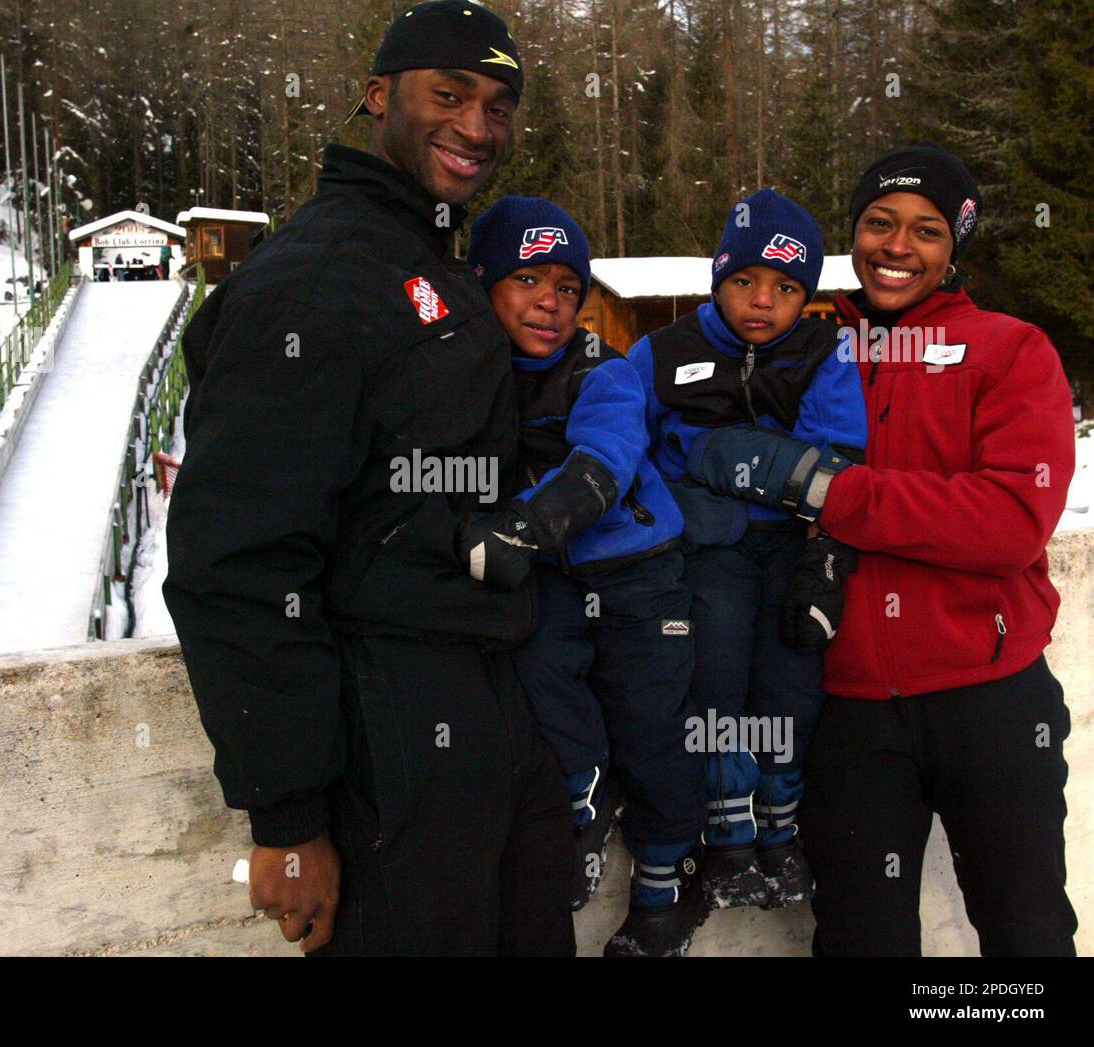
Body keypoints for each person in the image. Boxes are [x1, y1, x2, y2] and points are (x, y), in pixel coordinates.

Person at [163, 0, 576, 957]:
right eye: (450, 94)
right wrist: (287, 813)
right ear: (379, 95)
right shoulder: (316, 280)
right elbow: (238, 557)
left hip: (491, 703)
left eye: (500, 106)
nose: (478, 126)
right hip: (389, 721)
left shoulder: (429, 259)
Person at [685, 143, 1078, 956]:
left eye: (927, 230)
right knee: (861, 938)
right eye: (878, 223)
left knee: (1027, 929)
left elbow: (1011, 520)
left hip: (992, 699)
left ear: (954, 246)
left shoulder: (1010, 349)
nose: (898, 246)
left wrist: (824, 487)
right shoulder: (807, 347)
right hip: (848, 709)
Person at [466, 196, 706, 956]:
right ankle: (581, 803)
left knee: (649, 717)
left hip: (637, 570)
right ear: (483, 282)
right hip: (555, 572)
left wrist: (525, 525)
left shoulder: (602, 371)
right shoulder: (467, 371)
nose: (551, 302)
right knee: (539, 670)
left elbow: (601, 460)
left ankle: (670, 872)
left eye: (569, 287)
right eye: (528, 278)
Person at [629, 188, 867, 913]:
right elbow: (623, 445)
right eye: (744, 281)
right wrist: (680, 494)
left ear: (807, 294)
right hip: (708, 554)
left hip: (791, 551)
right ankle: (728, 831)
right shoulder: (665, 351)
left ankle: (781, 826)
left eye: (786, 287)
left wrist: (826, 556)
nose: (762, 301)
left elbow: (838, 458)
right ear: (717, 278)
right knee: (717, 678)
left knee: (791, 685)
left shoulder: (823, 351)